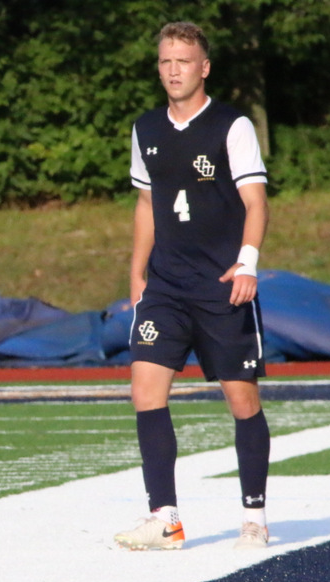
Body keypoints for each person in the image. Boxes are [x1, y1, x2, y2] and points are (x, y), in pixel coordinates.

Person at [113, 21, 271, 551]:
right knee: (144, 390)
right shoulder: (145, 128)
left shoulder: (233, 125)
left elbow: (255, 201)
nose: (174, 70)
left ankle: (254, 513)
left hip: (223, 286)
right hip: (166, 286)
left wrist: (247, 263)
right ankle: (165, 517)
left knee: (242, 400)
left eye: (184, 61)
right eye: (165, 61)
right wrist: (137, 273)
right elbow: (144, 204)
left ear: (204, 67)